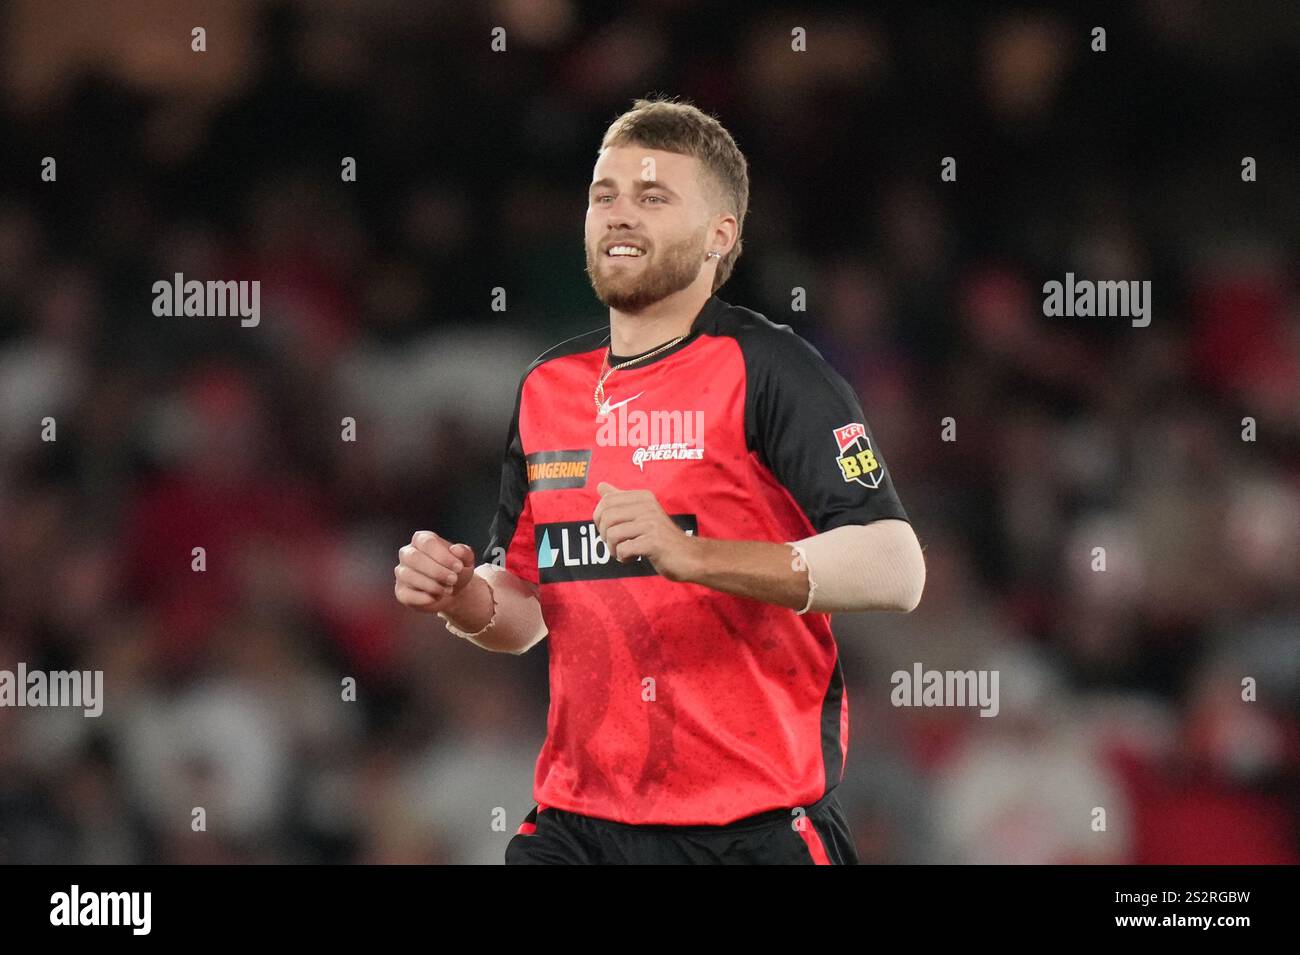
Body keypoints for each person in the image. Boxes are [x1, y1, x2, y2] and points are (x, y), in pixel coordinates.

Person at [394, 96, 926, 864]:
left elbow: (897, 566)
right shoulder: (548, 387)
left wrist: (695, 557)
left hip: (753, 828)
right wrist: (462, 598)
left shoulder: (771, 370)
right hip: (578, 825)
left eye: (652, 197)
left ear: (720, 236)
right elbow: (525, 609)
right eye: (604, 195)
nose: (618, 214)